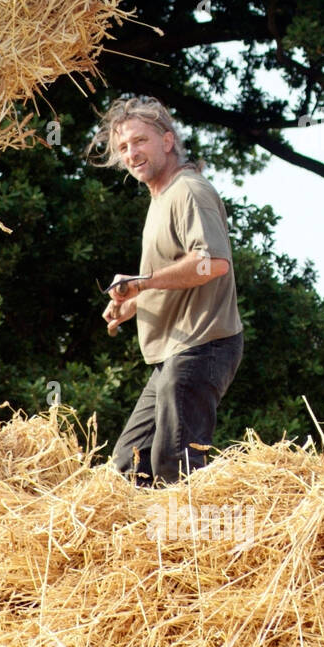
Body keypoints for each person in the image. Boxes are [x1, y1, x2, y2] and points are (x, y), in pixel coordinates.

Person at [89, 96, 243, 485]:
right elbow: (181, 275)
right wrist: (135, 304)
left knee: (175, 463)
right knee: (129, 464)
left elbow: (214, 263)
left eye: (140, 141)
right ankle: (145, 544)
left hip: (202, 344)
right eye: (123, 147)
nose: (131, 153)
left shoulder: (188, 190)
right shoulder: (160, 198)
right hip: (176, 351)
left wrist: (142, 282)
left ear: (168, 141)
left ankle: (187, 543)